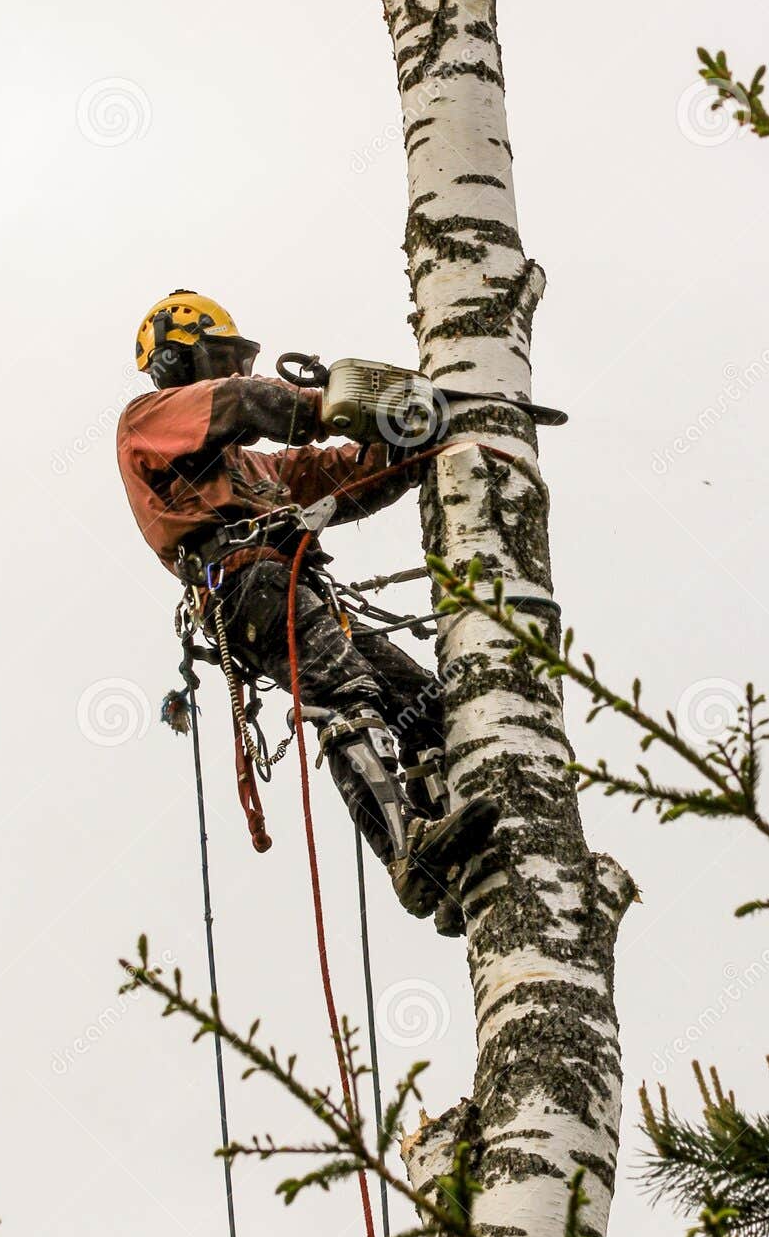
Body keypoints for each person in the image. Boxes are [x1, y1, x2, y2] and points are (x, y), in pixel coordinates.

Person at [116, 290, 499, 931]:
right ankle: (405, 850)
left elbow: (343, 478)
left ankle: (449, 844)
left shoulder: (252, 468)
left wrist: (403, 441)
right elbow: (250, 403)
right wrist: (342, 405)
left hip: (294, 590)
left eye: (237, 360)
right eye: (219, 358)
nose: (232, 372)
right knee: (345, 692)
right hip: (245, 588)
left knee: (425, 705)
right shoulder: (149, 421)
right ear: (176, 364)